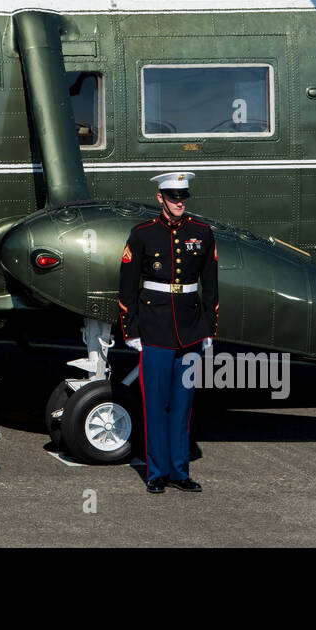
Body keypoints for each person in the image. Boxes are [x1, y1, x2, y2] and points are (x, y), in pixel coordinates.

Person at [118, 171, 218, 494]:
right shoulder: (142, 234)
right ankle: (156, 472)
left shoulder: (201, 232)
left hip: (189, 330)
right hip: (155, 329)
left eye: (183, 197)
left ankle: (179, 471)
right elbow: (127, 285)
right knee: (155, 405)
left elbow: (211, 285)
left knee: (182, 406)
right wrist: (130, 328)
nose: (179, 202)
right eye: (173, 197)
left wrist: (208, 329)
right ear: (160, 198)